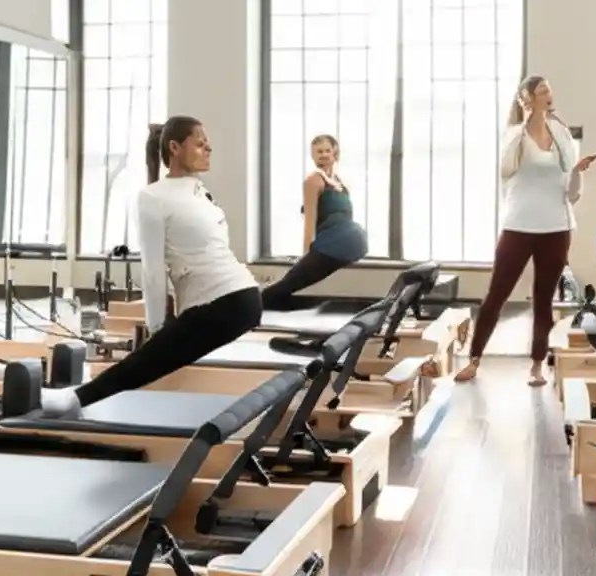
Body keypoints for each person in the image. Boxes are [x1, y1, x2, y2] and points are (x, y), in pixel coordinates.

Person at [40, 116, 261, 416]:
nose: (208, 149)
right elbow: (167, 269)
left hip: (225, 301)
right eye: (200, 143)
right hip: (245, 298)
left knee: (144, 363)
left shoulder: (185, 193)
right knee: (156, 359)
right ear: (174, 147)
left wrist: (157, 328)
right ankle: (81, 398)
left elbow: (154, 272)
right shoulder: (183, 196)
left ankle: (75, 400)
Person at [455, 75, 596, 387]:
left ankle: (536, 365)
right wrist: (524, 124)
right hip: (519, 224)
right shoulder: (514, 136)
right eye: (542, 90)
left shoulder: (561, 133)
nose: (549, 94)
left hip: (557, 226)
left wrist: (576, 172)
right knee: (497, 294)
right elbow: (506, 171)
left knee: (544, 298)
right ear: (528, 98)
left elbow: (571, 192)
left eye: (550, 88)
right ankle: (474, 359)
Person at [261, 134, 368, 310]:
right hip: (349, 245)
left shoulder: (339, 182)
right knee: (292, 284)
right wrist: (307, 254)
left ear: (335, 153)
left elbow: (313, 221)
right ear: (313, 156)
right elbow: (312, 219)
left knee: (281, 289)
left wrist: (306, 254)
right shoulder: (315, 181)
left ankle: (257, 305)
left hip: (338, 244)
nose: (323, 154)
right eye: (318, 151)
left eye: (327, 150)